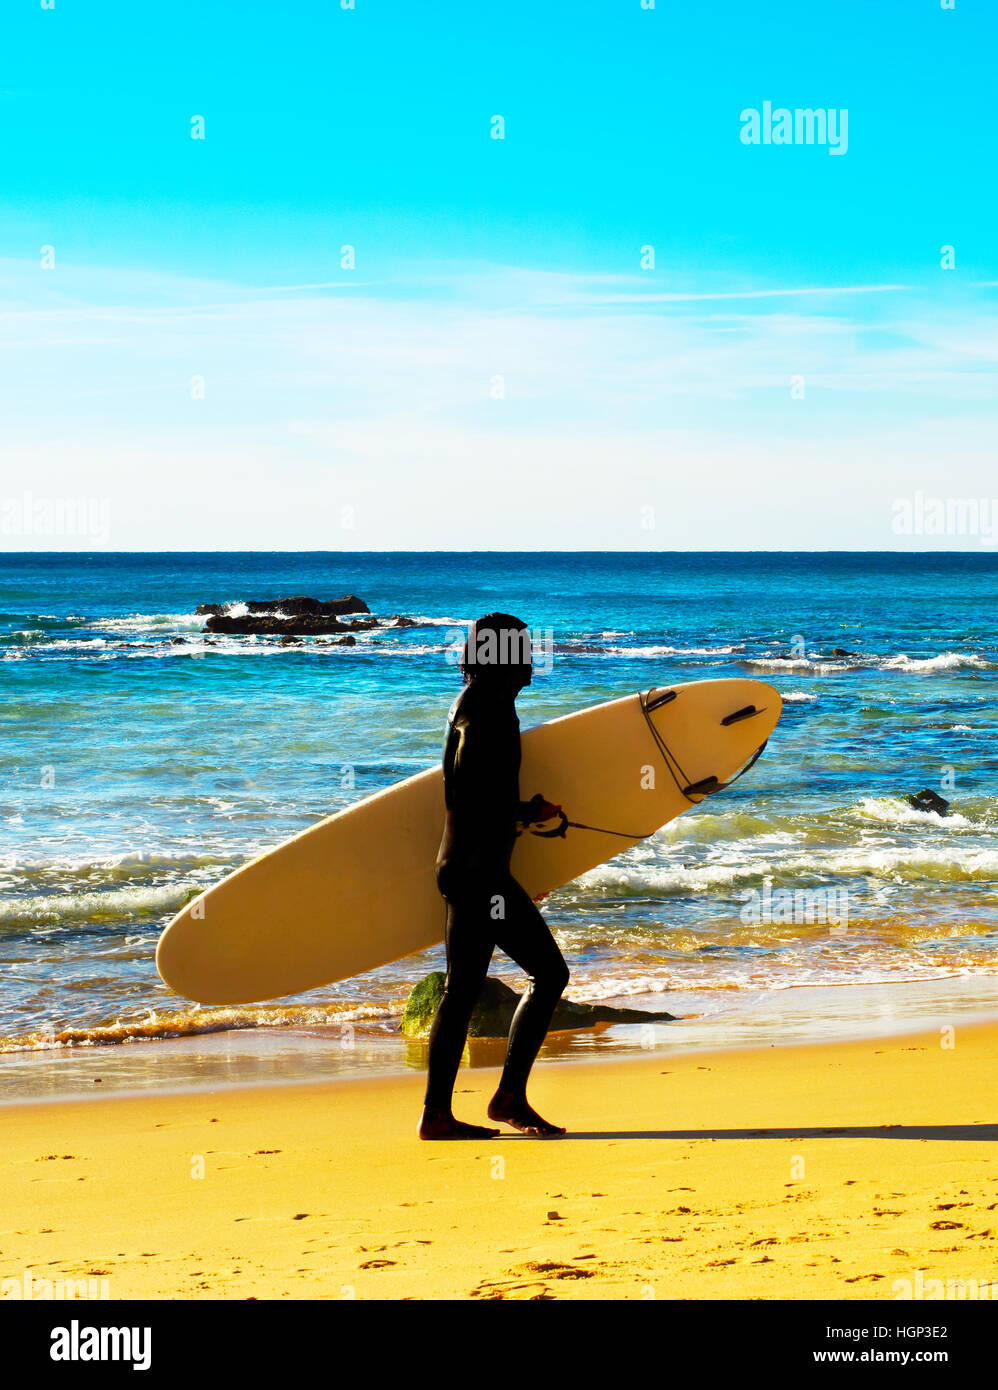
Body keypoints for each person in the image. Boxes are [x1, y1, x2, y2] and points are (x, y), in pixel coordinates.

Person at [417, 612, 570, 1139]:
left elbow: (474, 792)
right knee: (550, 975)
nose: (531, 662)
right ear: (503, 657)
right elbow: (468, 792)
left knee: (461, 991)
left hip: (466, 868)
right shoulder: (489, 710)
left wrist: (522, 814)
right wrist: (523, 815)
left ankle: (437, 1116)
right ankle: (508, 1098)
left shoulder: (475, 704)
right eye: (524, 651)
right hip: (479, 875)